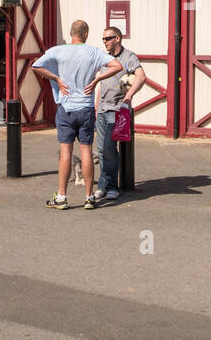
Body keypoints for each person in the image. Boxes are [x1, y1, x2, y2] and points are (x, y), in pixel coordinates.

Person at [31, 20, 123, 209]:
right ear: (86, 34)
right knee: (86, 151)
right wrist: (97, 78)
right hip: (86, 108)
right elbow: (117, 66)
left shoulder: (59, 50)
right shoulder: (94, 52)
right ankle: (89, 197)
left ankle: (62, 197)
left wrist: (56, 78)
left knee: (66, 152)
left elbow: (36, 66)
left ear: (71, 33)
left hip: (66, 107)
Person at [93, 26, 145, 204]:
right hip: (101, 109)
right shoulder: (104, 58)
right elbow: (102, 82)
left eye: (107, 38)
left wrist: (128, 97)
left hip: (116, 110)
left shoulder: (128, 57)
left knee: (109, 149)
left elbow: (141, 76)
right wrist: (96, 105)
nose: (104, 42)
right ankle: (103, 186)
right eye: (103, 39)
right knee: (101, 150)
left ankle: (111, 186)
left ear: (117, 39)